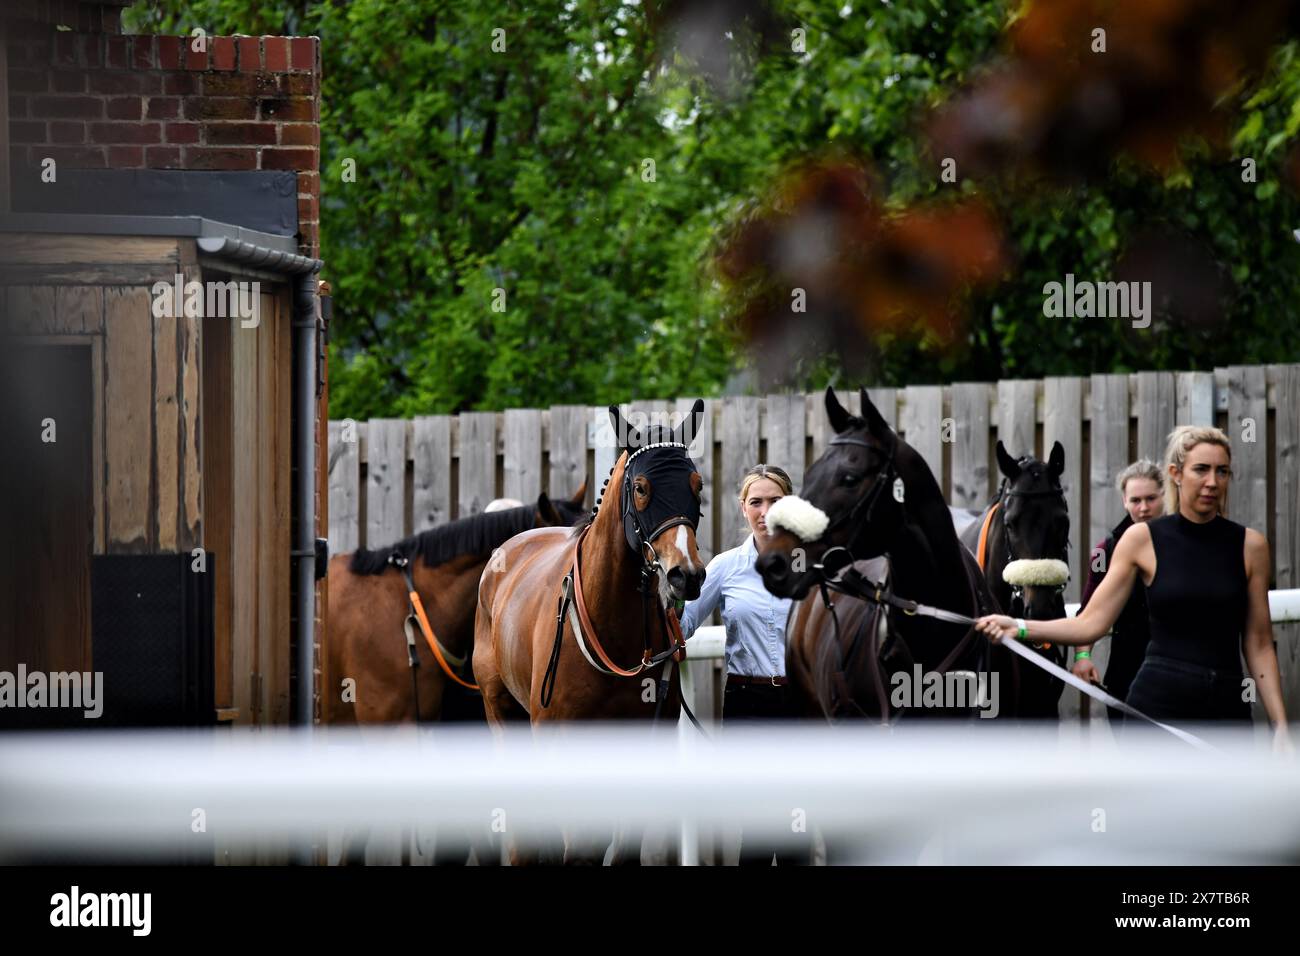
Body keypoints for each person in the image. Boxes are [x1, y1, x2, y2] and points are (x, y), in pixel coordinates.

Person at [975, 426, 1291, 752]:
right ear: (1176, 474)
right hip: (1157, 708)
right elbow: (1090, 622)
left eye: (1222, 471)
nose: (1212, 481)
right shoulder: (1141, 540)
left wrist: (1279, 724)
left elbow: (1259, 642)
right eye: (1201, 469)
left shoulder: (1250, 546)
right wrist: (1020, 626)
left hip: (1227, 710)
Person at [679, 463, 801, 863]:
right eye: (756, 502)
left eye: (776, 501)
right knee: (756, 832)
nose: (765, 511)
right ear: (742, 507)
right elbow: (681, 625)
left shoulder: (811, 565)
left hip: (803, 705)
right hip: (747, 704)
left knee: (798, 829)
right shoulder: (725, 567)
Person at [1072, 459, 1164, 722]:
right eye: (1135, 500)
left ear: (1165, 495)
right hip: (1126, 678)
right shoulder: (1105, 551)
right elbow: (1088, 611)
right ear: (1124, 501)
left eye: (1151, 498)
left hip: (1176, 678)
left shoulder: (1183, 542)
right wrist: (1082, 655)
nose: (1144, 508)